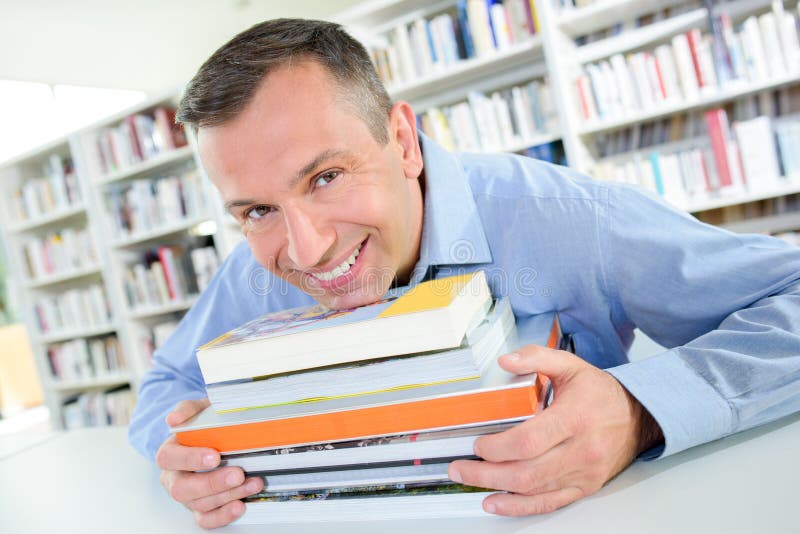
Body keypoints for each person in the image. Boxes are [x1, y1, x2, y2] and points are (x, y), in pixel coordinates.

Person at [128, 18, 800, 529]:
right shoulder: (255, 267)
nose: (305, 252)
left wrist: (638, 411)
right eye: (257, 210)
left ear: (402, 142)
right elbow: (167, 384)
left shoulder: (570, 219)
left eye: (326, 177)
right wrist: (181, 452)